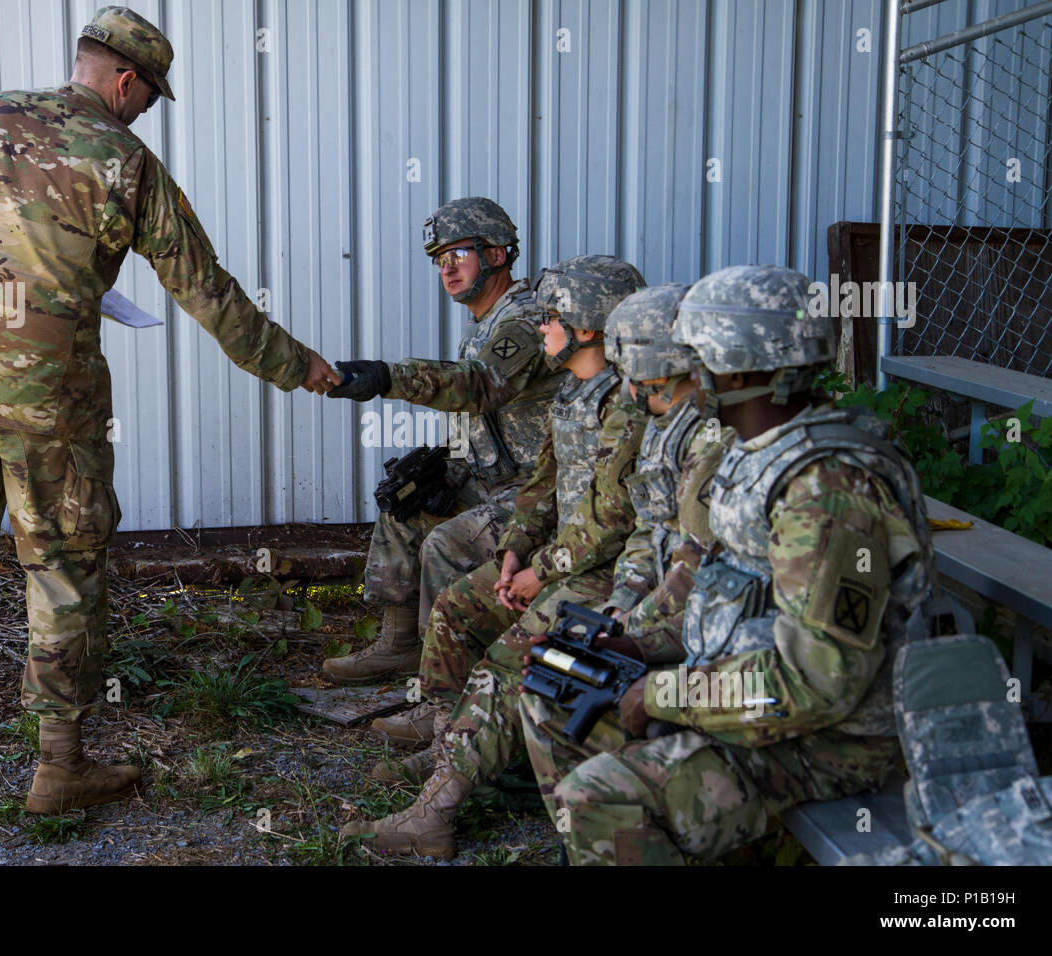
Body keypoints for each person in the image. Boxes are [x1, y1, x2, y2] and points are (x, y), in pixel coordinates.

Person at [0, 6, 339, 814]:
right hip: (50, 397)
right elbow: (208, 291)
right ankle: (58, 770)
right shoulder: (127, 161)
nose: (146, 112)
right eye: (150, 98)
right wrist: (296, 366)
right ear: (127, 82)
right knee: (59, 567)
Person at [519, 264, 936, 865]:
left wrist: (661, 692)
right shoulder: (756, 455)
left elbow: (819, 683)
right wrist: (633, 644)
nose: (683, 374)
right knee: (557, 691)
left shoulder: (827, 491)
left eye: (695, 356)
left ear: (738, 366)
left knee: (598, 797)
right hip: (744, 690)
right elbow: (719, 579)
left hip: (830, 743)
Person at [344, 280, 733, 860]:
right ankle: (457, 740)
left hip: (607, 571)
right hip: (587, 562)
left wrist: (545, 574)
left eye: (553, 316)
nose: (540, 327)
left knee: (511, 657)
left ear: (589, 328)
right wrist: (514, 551)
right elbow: (541, 486)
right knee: (458, 603)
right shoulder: (574, 394)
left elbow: (615, 524)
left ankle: (441, 804)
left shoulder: (631, 410)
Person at [320, 198, 563, 684]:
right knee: (403, 506)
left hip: (537, 493)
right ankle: (399, 645)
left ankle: (444, 682)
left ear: (497, 254)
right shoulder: (484, 325)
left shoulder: (524, 319)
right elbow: (482, 421)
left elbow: (478, 385)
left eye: (458, 253)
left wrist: (388, 377)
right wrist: (448, 470)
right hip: (493, 484)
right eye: (439, 258)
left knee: (445, 543)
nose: (446, 268)